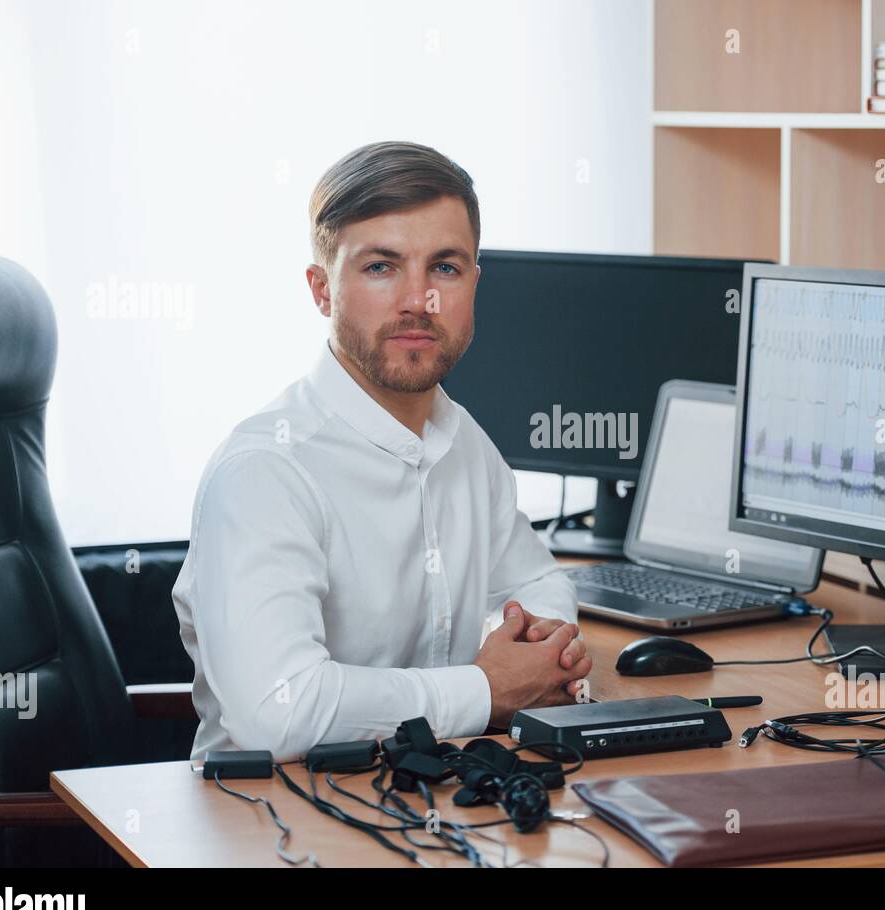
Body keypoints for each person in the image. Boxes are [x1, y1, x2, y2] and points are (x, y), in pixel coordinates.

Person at [173, 141, 589, 761]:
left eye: (445, 268)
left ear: (475, 283)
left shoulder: (463, 442)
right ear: (321, 290)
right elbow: (275, 713)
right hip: (274, 826)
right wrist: (487, 689)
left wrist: (543, 643)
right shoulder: (264, 472)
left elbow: (534, 580)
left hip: (436, 805)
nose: (417, 300)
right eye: (380, 267)